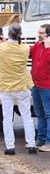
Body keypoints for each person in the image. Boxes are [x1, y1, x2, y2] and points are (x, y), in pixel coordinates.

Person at [0, 23, 36, 155]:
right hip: (22, 86)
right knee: (27, 116)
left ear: (8, 34)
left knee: (7, 118)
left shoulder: (1, 48)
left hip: (6, 87)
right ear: (20, 34)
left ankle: (10, 147)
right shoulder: (25, 49)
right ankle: (31, 144)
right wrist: (6, 42)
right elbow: (16, 47)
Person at [30, 24, 50, 152]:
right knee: (40, 113)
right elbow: (26, 52)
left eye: (42, 33)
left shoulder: (48, 49)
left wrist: (48, 48)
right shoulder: (38, 46)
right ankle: (41, 139)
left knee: (48, 113)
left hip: (47, 86)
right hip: (36, 85)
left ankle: (49, 142)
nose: (39, 34)